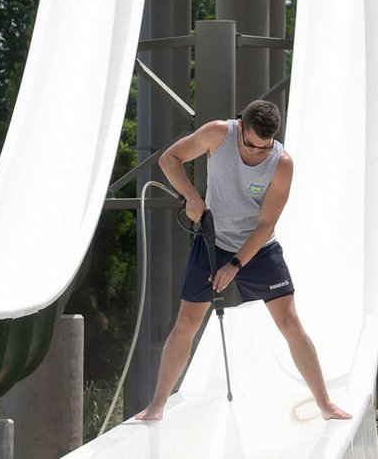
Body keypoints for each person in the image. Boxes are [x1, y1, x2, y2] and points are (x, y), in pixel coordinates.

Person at [136, 99, 350, 422]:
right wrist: (192, 197)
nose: (254, 152)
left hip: (258, 249)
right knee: (186, 324)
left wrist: (235, 265)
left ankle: (325, 404)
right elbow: (169, 159)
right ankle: (156, 406)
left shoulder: (282, 163)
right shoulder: (218, 134)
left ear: (273, 140)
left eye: (263, 148)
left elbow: (266, 225)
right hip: (213, 243)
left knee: (290, 323)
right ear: (241, 125)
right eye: (249, 144)